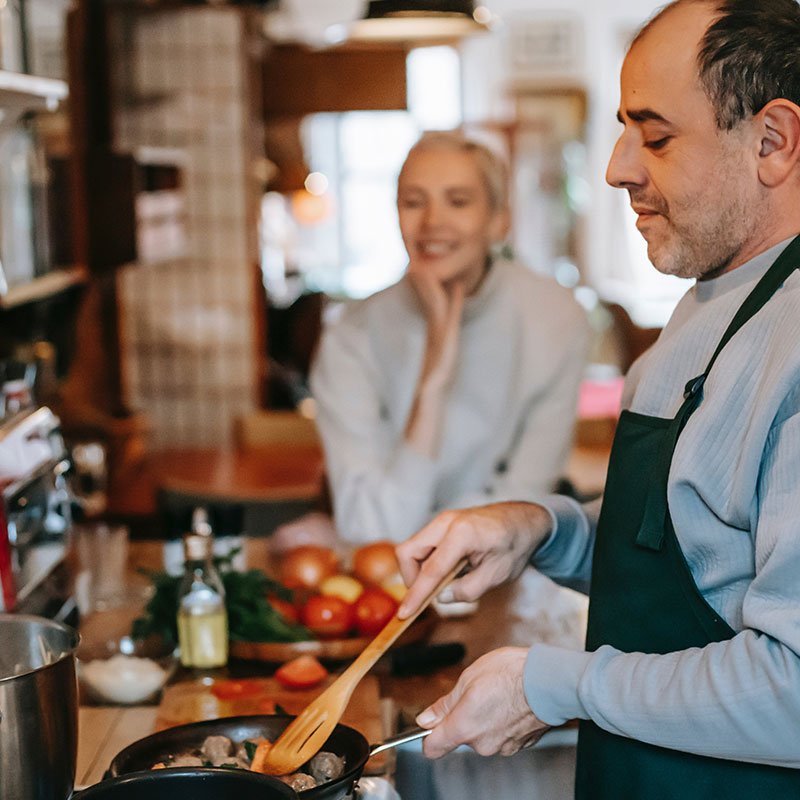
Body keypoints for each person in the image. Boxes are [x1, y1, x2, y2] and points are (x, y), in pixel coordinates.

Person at [395, 1, 800, 797]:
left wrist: (556, 686)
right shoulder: (710, 298)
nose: (617, 167)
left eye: (656, 135)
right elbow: (694, 556)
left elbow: (792, 689)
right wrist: (542, 531)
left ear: (773, 142)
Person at [309, 131, 590, 544]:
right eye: (413, 201)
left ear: (499, 220)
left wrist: (411, 523)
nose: (432, 221)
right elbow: (371, 531)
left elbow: (521, 506)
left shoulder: (556, 318)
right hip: (387, 582)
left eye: (458, 201)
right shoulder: (351, 335)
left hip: (505, 571)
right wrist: (433, 381)